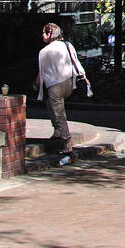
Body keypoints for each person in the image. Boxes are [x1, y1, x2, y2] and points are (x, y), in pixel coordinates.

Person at [33, 23, 90, 164]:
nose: (42, 35)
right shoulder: (67, 45)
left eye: (44, 33)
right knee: (50, 105)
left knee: (59, 114)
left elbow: (42, 73)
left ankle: (67, 143)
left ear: (49, 34)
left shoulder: (44, 52)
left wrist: (36, 85)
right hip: (70, 83)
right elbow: (75, 62)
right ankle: (58, 132)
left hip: (55, 86)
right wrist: (84, 77)